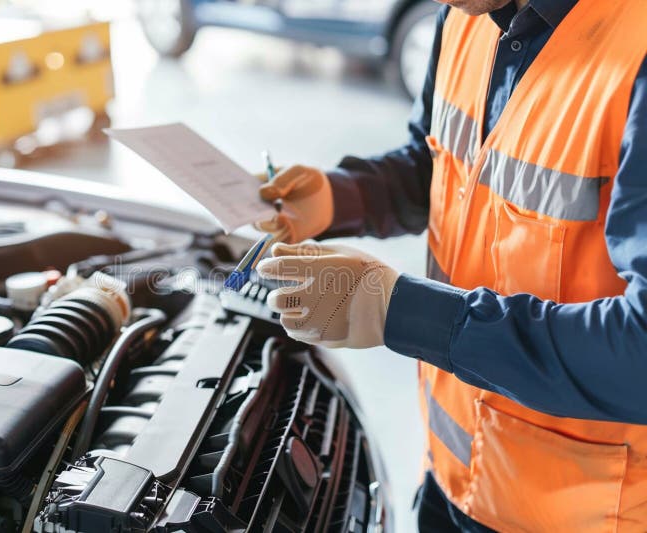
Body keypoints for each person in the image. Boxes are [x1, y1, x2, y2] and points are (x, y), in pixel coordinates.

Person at [253, 0, 647, 531]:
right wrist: (338, 198)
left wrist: (403, 313)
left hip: (577, 513)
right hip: (453, 478)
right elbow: (437, 162)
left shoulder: (635, 51)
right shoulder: (464, 14)